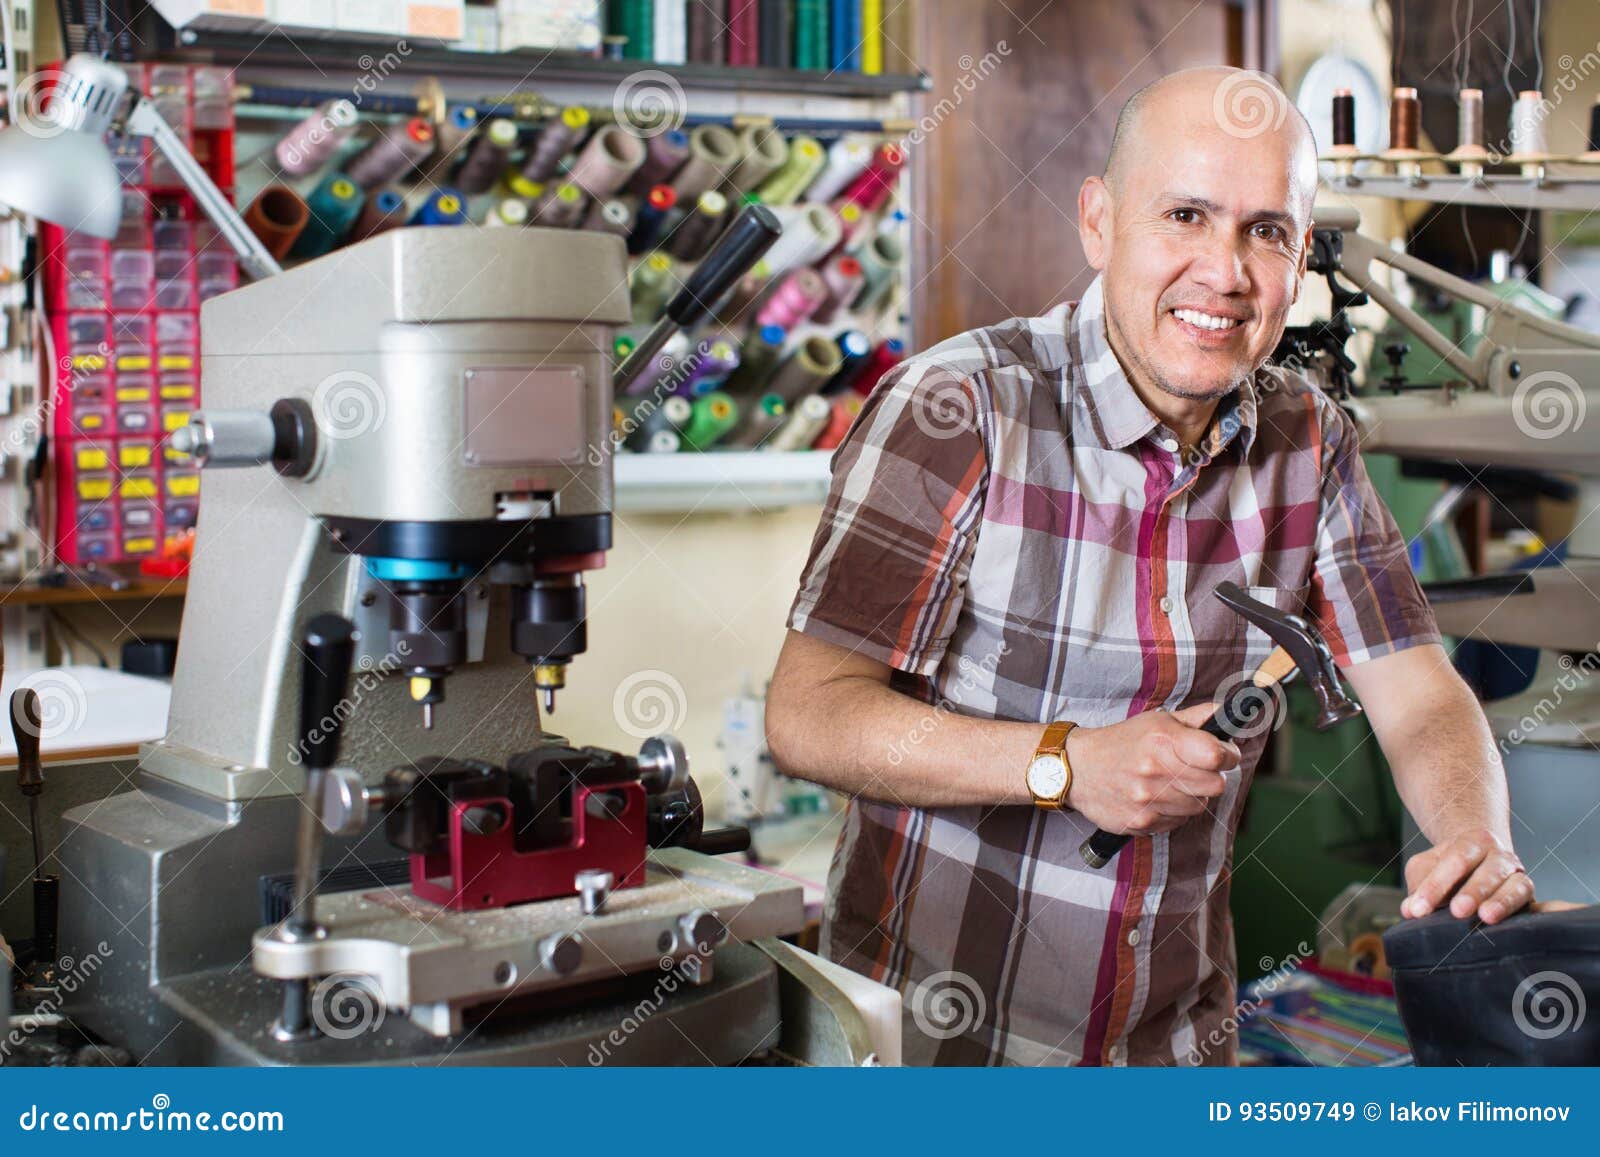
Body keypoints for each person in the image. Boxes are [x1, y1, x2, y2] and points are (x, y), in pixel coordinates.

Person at [763, 66, 1535, 1066]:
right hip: (943, 1052)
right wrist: (1064, 762)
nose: (1223, 271)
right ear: (1098, 221)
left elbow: (1417, 689)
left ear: (1301, 254)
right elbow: (808, 711)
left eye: (1265, 230)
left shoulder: (1312, 440)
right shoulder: (960, 409)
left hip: (1174, 1049)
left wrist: (1475, 834)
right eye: (1184, 214)